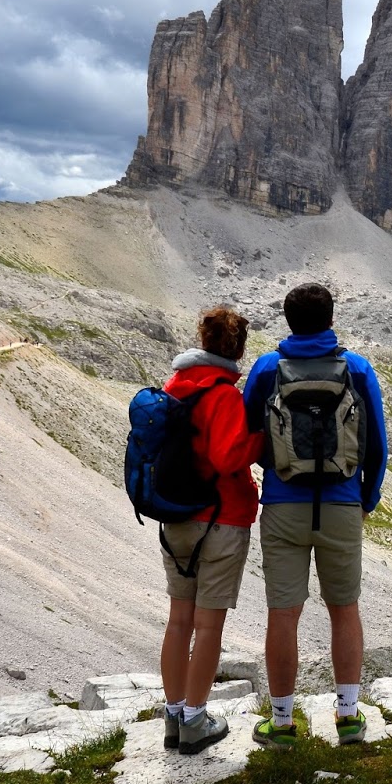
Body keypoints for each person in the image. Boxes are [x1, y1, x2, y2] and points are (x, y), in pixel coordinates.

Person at [243, 282, 388, 748]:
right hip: (342, 501)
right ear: (330, 318)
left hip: (284, 502)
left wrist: (273, 474)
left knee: (283, 613)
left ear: (288, 320)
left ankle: (282, 723)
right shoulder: (357, 368)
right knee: (344, 609)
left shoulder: (268, 367)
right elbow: (376, 444)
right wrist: (365, 498)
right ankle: (348, 717)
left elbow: (250, 434)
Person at [158, 306, 262, 755]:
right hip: (219, 521)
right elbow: (226, 458)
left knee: (178, 620)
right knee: (209, 625)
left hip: (175, 518)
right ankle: (196, 721)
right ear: (237, 350)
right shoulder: (223, 395)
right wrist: (258, 438)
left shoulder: (175, 387)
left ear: (202, 341)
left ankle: (174, 714)